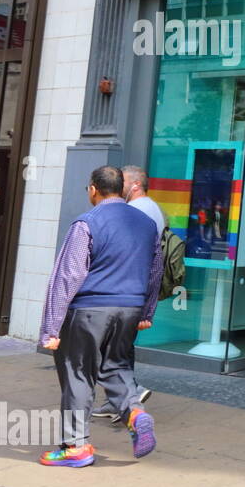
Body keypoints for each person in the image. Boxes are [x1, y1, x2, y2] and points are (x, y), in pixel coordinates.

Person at [38, 166, 163, 467]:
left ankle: (76, 447)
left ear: (93, 189)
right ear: (121, 188)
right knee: (116, 364)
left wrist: (50, 329)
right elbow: (155, 271)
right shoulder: (147, 224)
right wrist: (146, 311)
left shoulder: (87, 223)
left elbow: (67, 277)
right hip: (130, 308)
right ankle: (133, 410)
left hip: (90, 310)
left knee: (78, 372)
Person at [90, 165, 161, 421]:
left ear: (135, 185)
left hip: (120, 294)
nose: (118, 190)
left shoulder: (136, 212)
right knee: (118, 349)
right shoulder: (149, 209)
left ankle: (130, 396)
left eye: (123, 183)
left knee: (108, 351)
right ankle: (122, 401)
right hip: (131, 296)